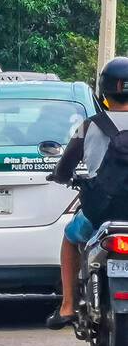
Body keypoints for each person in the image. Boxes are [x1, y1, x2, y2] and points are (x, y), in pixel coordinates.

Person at [47, 57, 128, 329]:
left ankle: (68, 305)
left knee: (70, 238)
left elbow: (65, 166)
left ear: (103, 90)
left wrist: (61, 177)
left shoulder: (90, 125)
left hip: (99, 212)